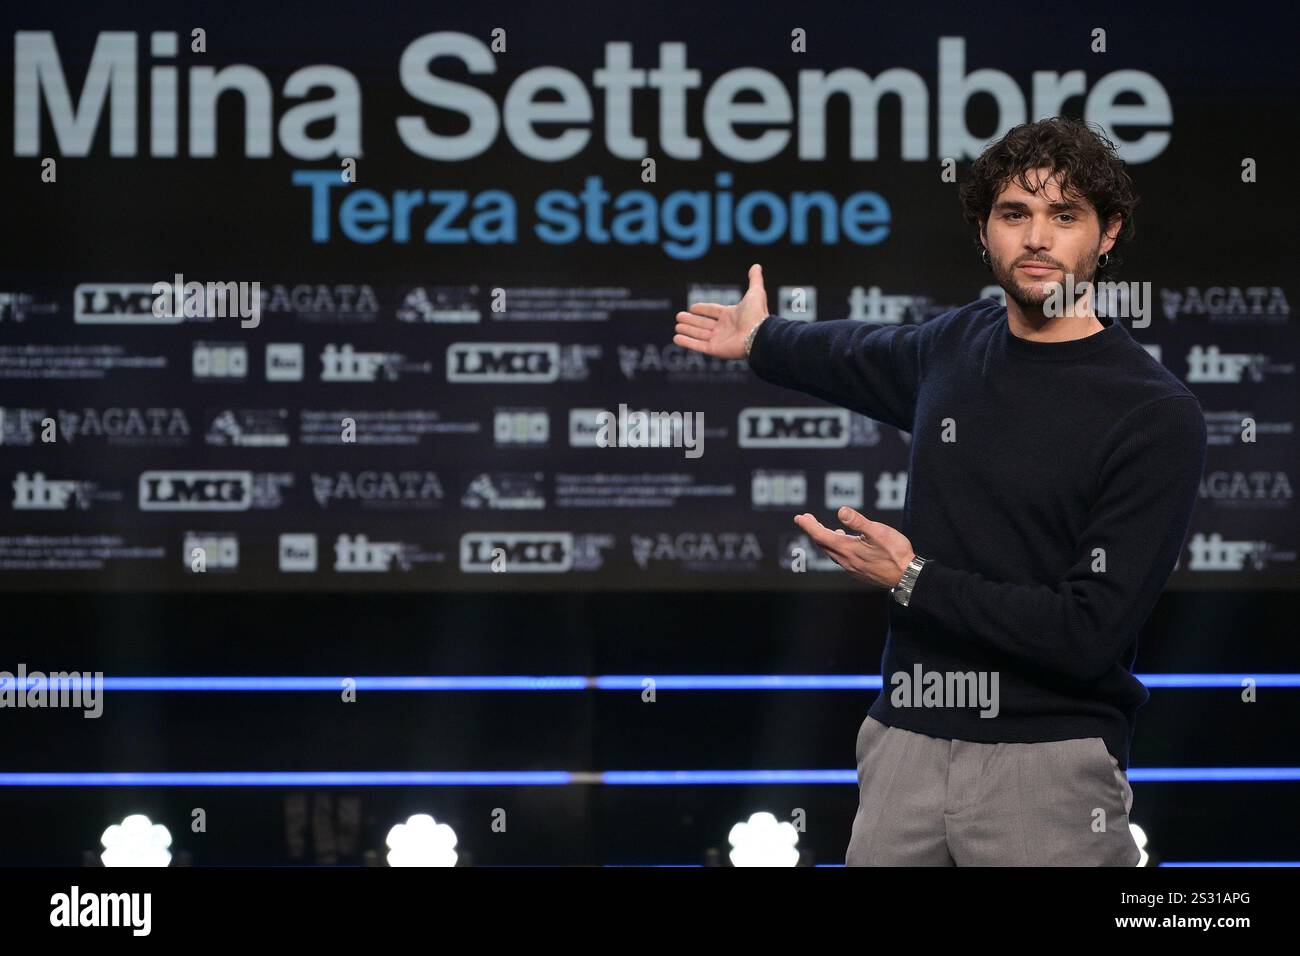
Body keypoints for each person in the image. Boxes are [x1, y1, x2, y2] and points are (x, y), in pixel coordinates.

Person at [671, 116, 1206, 866]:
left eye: (1065, 215)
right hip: (904, 751)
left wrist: (912, 579)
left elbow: (1087, 633)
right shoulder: (953, 348)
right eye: (1014, 214)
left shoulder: (1154, 414)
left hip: (1048, 766)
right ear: (985, 232)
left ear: (1107, 233)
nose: (1037, 239)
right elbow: (851, 352)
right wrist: (761, 340)